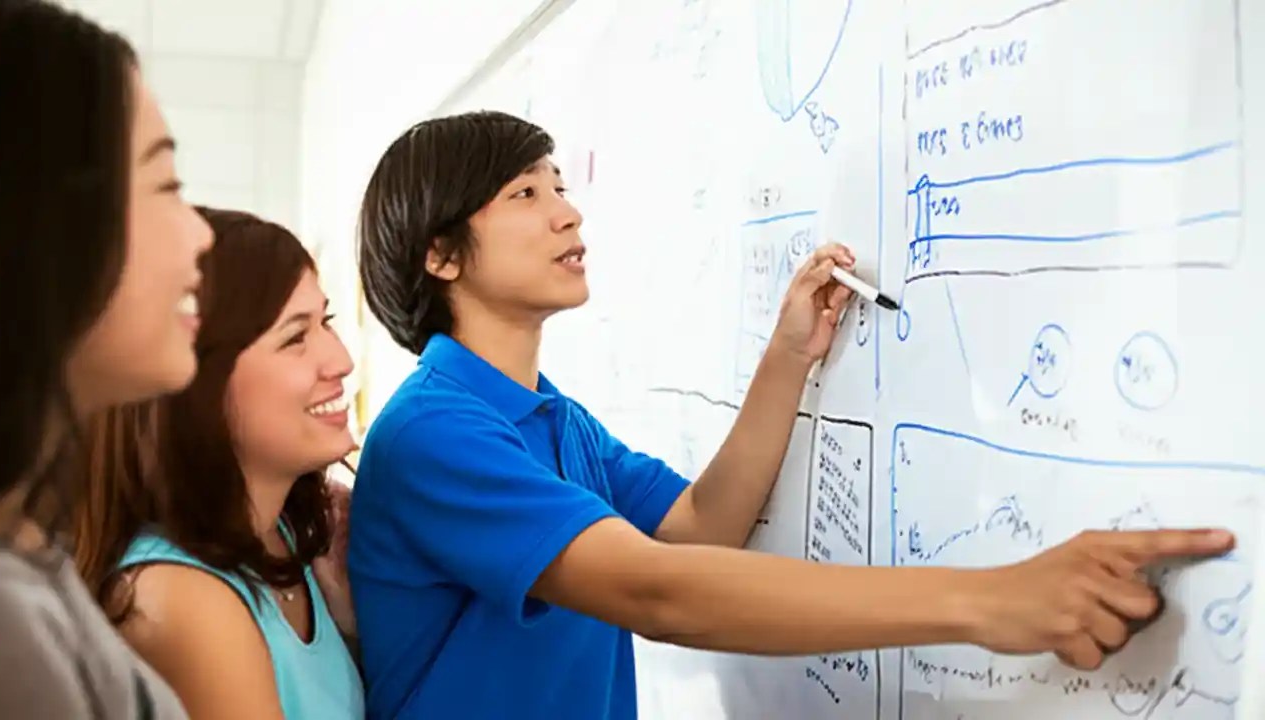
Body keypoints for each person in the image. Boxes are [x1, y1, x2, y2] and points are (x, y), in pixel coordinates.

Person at [348, 110, 1235, 719]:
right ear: (441, 254)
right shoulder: (436, 431)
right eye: (525, 196)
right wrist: (990, 601)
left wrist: (786, 357)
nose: (567, 211)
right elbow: (654, 589)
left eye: (557, 186)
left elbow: (698, 530)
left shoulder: (552, 420)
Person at [0, 1, 213, 716]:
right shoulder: (0, 630)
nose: (200, 234)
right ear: (38, 216)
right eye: (167, 185)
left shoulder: (26, 555)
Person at [73, 207, 365, 720]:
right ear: (194, 382)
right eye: (296, 337)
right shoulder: (181, 598)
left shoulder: (285, 541)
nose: (341, 360)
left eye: (327, 322)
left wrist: (346, 623)